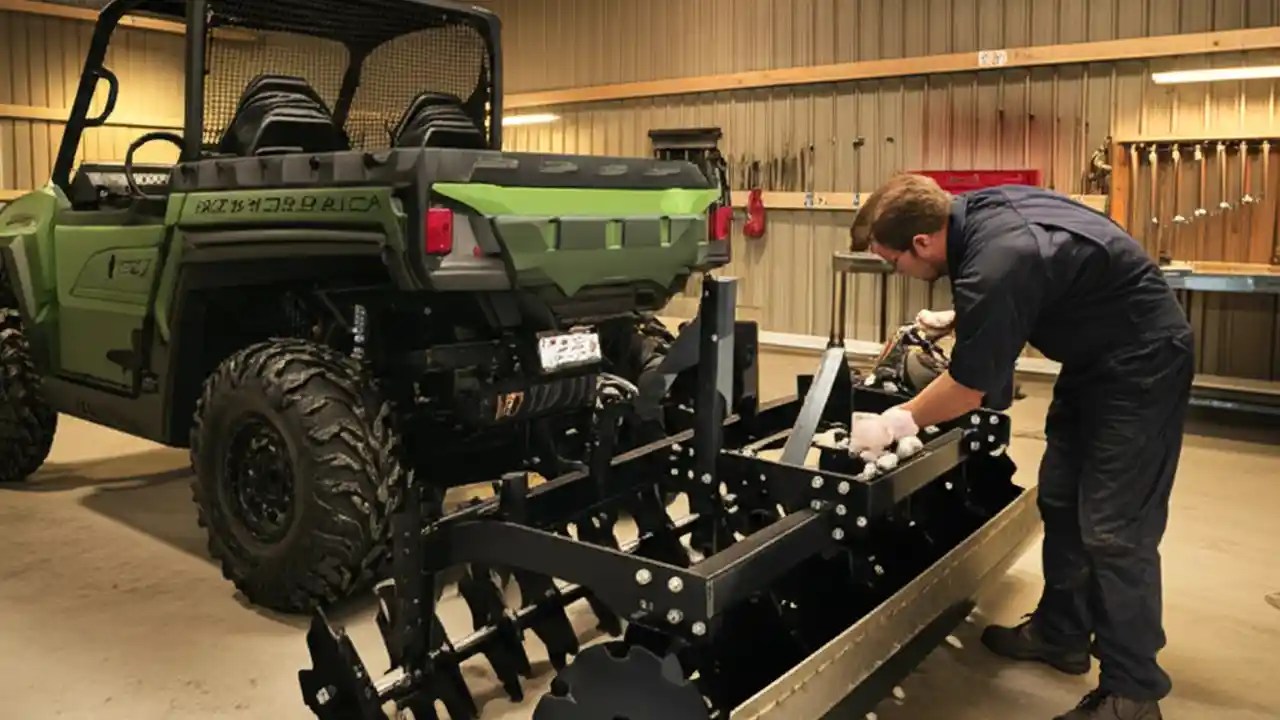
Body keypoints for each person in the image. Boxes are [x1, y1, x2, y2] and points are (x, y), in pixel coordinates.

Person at [846, 174, 1194, 720]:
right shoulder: (977, 214)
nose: (900, 274)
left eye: (895, 262)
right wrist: (963, 319)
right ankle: (1061, 633)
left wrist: (897, 422)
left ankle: (1133, 692)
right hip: (1095, 356)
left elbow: (968, 389)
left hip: (1143, 362)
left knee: (1113, 527)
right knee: (1059, 497)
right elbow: (1039, 280)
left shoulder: (996, 257)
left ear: (922, 243)